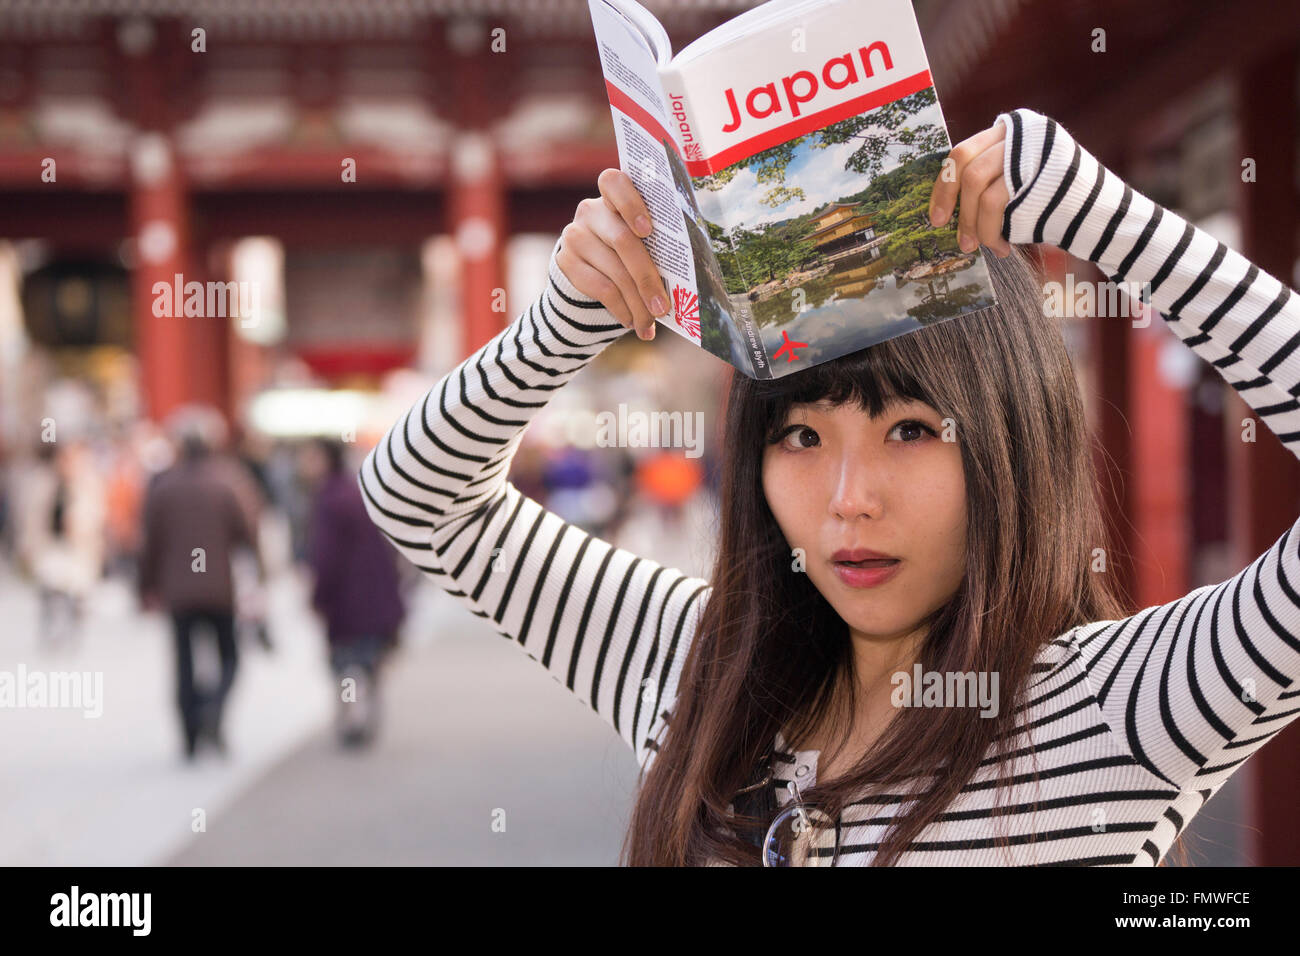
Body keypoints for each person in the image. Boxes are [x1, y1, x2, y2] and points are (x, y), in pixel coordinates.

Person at [359, 108, 1300, 867]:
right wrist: (567, 320)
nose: (849, 498)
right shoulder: (698, 668)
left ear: (1009, 439)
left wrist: (1108, 222)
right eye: (802, 434)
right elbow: (415, 494)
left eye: (910, 430)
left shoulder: (1119, 707)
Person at [140, 422, 254, 760]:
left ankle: (190, 735)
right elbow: (248, 532)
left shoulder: (164, 488)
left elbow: (150, 544)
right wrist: (258, 575)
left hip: (179, 592)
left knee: (184, 664)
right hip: (219, 588)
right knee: (229, 657)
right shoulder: (227, 483)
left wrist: (145, 587)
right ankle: (214, 709)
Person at [307, 438, 404, 747]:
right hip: (376, 593)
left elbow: (326, 555)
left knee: (346, 665)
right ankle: (364, 715)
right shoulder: (361, 492)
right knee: (367, 662)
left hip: (347, 599)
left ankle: (352, 720)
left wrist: (319, 596)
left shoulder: (331, 498)